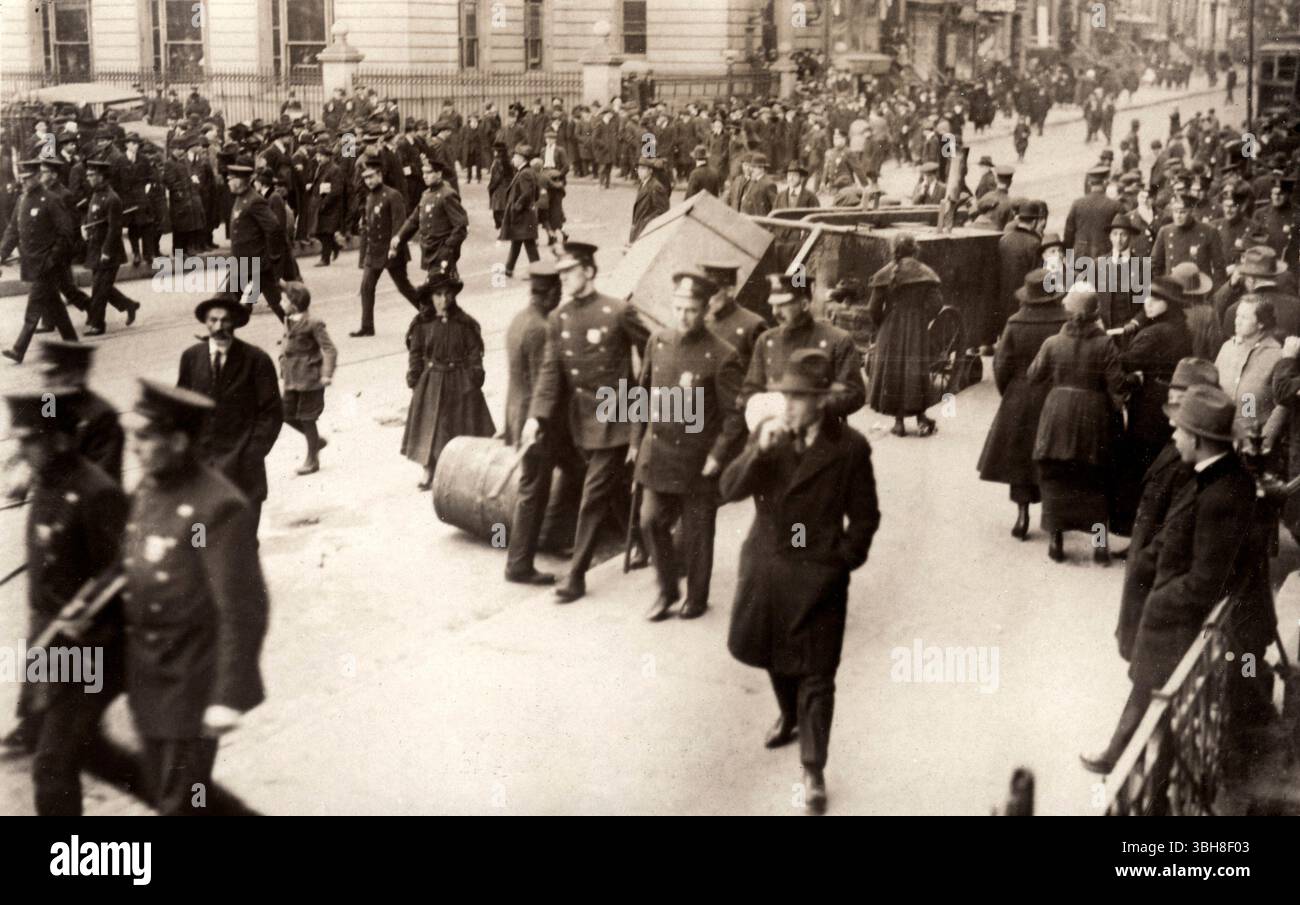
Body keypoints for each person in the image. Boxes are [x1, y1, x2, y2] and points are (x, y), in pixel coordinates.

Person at [720, 348, 881, 815]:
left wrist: (841, 562)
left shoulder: (850, 448)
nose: (788, 405)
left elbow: (866, 517)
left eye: (798, 397)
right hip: (768, 569)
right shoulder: (769, 437)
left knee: (817, 672)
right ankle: (788, 714)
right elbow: (728, 491)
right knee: (773, 652)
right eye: (785, 395)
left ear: (822, 400)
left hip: (818, 577)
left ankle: (813, 768)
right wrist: (756, 451)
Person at [1081, 384, 1265, 775]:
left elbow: (1203, 582)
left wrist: (1160, 598)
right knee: (1151, 692)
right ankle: (1123, 756)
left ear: (1198, 440)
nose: (1174, 434)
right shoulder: (1216, 477)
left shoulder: (1220, 494)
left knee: (1157, 695)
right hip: (1182, 623)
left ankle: (1133, 767)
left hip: (1182, 625)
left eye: (1180, 430)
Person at [119, 379, 270, 815]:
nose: (134, 447)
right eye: (132, 435)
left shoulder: (215, 508)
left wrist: (228, 694)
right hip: (148, 676)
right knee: (181, 798)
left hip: (192, 681)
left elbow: (241, 607)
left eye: (144, 437)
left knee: (179, 803)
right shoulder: (148, 489)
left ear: (179, 441)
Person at [6, 387, 127, 814]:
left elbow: (121, 572)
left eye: (28, 440)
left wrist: (82, 623)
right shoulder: (48, 482)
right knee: (89, 754)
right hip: (50, 643)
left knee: (53, 766)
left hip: (87, 647)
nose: (21, 449)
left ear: (59, 439)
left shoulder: (95, 492)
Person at [524, 240, 650, 603]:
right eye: (560, 272)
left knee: (593, 495)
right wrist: (536, 417)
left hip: (615, 417)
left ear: (589, 271)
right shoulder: (559, 319)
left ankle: (576, 576)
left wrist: (640, 400)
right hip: (580, 422)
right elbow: (550, 373)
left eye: (569, 271)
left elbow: (652, 351)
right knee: (608, 487)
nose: (563, 278)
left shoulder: (617, 311)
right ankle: (646, 540)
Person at [631, 271, 744, 621]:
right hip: (658, 454)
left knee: (697, 533)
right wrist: (636, 441)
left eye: (692, 309)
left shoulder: (722, 355)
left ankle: (696, 597)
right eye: (679, 307)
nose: (683, 315)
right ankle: (667, 590)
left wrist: (717, 456)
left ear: (705, 308)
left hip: (697, 461)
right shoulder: (658, 342)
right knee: (649, 522)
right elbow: (642, 393)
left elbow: (734, 417)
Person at [1114, 357, 1219, 666]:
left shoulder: (1191, 456)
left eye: (1178, 401)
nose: (1171, 412)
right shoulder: (1179, 443)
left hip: (1159, 569)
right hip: (1149, 557)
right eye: (1171, 401)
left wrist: (1146, 560)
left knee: (1151, 656)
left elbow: (1177, 528)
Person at [1028, 286, 1125, 564]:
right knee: (1095, 479)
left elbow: (1034, 376)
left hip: (1058, 414)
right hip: (1093, 417)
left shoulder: (1052, 342)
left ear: (1067, 311)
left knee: (1057, 476)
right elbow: (1116, 385)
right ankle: (1099, 546)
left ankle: (1057, 541)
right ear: (1096, 315)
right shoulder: (1105, 344)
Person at [177, 296, 284, 540]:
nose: (219, 326)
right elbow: (181, 407)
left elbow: (271, 413)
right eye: (213, 320)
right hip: (201, 471)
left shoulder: (256, 360)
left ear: (235, 323)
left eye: (226, 320)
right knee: (200, 541)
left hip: (243, 471)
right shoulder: (191, 358)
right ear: (205, 322)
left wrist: (250, 454)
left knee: (241, 544)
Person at [504, 259, 583, 584]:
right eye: (558, 291)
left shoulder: (520, 320)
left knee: (576, 469)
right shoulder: (540, 328)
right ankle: (519, 564)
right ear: (548, 293)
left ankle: (556, 534)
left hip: (519, 414)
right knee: (533, 490)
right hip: (539, 425)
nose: (560, 297)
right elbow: (543, 385)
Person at [978, 269, 1069, 540]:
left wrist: (1011, 392)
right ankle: (1054, 521)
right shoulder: (1065, 320)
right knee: (1053, 457)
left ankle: (1022, 516)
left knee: (1020, 458)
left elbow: (1001, 363)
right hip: (1056, 394)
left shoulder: (1015, 322)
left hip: (1021, 394)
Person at [1112, 277, 1193, 537]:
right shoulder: (1179, 326)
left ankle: (1137, 532)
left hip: (1149, 405)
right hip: (1167, 400)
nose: (1147, 303)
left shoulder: (1156, 333)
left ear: (1168, 304)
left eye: (1155, 299)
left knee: (1140, 465)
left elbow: (1124, 360)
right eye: (1146, 297)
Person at [401, 272, 494, 491]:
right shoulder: (422, 325)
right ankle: (429, 468)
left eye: (447, 295)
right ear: (430, 298)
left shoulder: (464, 323)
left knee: (463, 425)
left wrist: (475, 376)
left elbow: (474, 351)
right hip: (432, 381)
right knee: (433, 427)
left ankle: (465, 472)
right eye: (438, 295)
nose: (444, 300)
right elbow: (415, 354)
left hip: (461, 379)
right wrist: (414, 378)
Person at [0, 158, 78, 363]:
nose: (24, 183)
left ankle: (19, 349)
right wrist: (1, 254)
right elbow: (12, 232)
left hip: (46, 264)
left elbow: (66, 232)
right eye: (22, 179)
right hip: (32, 262)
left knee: (34, 306)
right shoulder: (22, 200)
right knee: (55, 306)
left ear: (37, 177)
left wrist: (53, 258)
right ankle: (73, 344)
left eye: (28, 179)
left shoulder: (51, 199)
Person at [866, 232, 942, 437]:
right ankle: (920, 418)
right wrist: (921, 318)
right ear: (915, 249)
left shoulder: (885, 273)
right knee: (915, 369)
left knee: (893, 371)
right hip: (916, 327)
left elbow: (873, 308)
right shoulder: (925, 272)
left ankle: (898, 422)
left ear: (894, 250)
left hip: (890, 327)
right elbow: (936, 304)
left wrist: (883, 324)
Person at [277, 282, 336, 476]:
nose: (280, 302)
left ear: (294, 303)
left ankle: (312, 459)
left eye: (284, 300)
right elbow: (286, 344)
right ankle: (316, 440)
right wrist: (281, 364)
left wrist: (326, 374)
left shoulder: (313, 322)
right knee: (285, 414)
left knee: (307, 418)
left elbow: (329, 349)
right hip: (292, 377)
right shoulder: (289, 319)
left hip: (310, 378)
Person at [353, 157, 415, 336]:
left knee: (403, 287)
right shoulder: (370, 196)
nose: (369, 181)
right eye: (365, 178)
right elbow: (368, 227)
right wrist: (364, 254)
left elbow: (399, 224)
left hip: (391, 250)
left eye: (372, 177)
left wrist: (395, 247)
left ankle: (427, 312)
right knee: (366, 287)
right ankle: (367, 326)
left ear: (380, 175)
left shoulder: (393, 195)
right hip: (374, 252)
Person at [79, 158, 141, 336]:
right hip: (95, 247)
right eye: (88, 174)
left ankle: (97, 324)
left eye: (91, 175)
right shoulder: (96, 194)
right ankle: (129, 305)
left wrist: (106, 252)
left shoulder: (112, 198)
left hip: (109, 251)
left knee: (99, 288)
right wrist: (84, 226)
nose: (88, 178)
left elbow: (114, 229)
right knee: (102, 286)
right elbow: (90, 215)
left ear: (101, 176)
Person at [1215, 294, 1286, 450]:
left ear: (1261, 323)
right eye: (1237, 315)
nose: (1237, 321)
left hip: (1253, 446)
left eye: (1244, 317)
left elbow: (1283, 405)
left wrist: (1264, 441)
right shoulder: (1227, 347)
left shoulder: (1276, 355)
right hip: (1221, 440)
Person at [396, 157, 468, 283]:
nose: (425, 176)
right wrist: (399, 238)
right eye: (423, 173)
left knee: (433, 292)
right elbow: (414, 220)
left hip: (442, 252)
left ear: (439, 174)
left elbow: (461, 227)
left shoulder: (447, 195)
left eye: (429, 173)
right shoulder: (425, 195)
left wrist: (448, 247)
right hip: (429, 251)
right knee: (443, 294)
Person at [701, 260, 767, 375]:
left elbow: (766, 370)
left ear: (730, 291)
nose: (707, 298)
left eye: (713, 292)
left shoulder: (753, 325)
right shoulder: (702, 322)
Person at [1063, 166, 1125, 260]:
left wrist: (1068, 259)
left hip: (1080, 256)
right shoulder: (1115, 206)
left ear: (1089, 183)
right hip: (1105, 255)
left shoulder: (1077, 204)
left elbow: (1068, 235)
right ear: (1105, 182)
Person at [499, 143, 541, 277]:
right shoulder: (526, 172)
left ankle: (538, 272)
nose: (513, 160)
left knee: (528, 244)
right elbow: (536, 193)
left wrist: (517, 206)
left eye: (516, 157)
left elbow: (527, 193)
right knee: (517, 241)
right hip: (525, 214)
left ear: (523, 159)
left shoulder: (524, 174)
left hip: (523, 215)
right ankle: (508, 269)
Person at [630, 156, 669, 243]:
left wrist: (646, 222)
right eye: (638, 168)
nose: (639, 171)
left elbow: (662, 210)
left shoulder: (655, 187)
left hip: (647, 231)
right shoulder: (643, 183)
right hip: (639, 228)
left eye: (643, 169)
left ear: (650, 171)